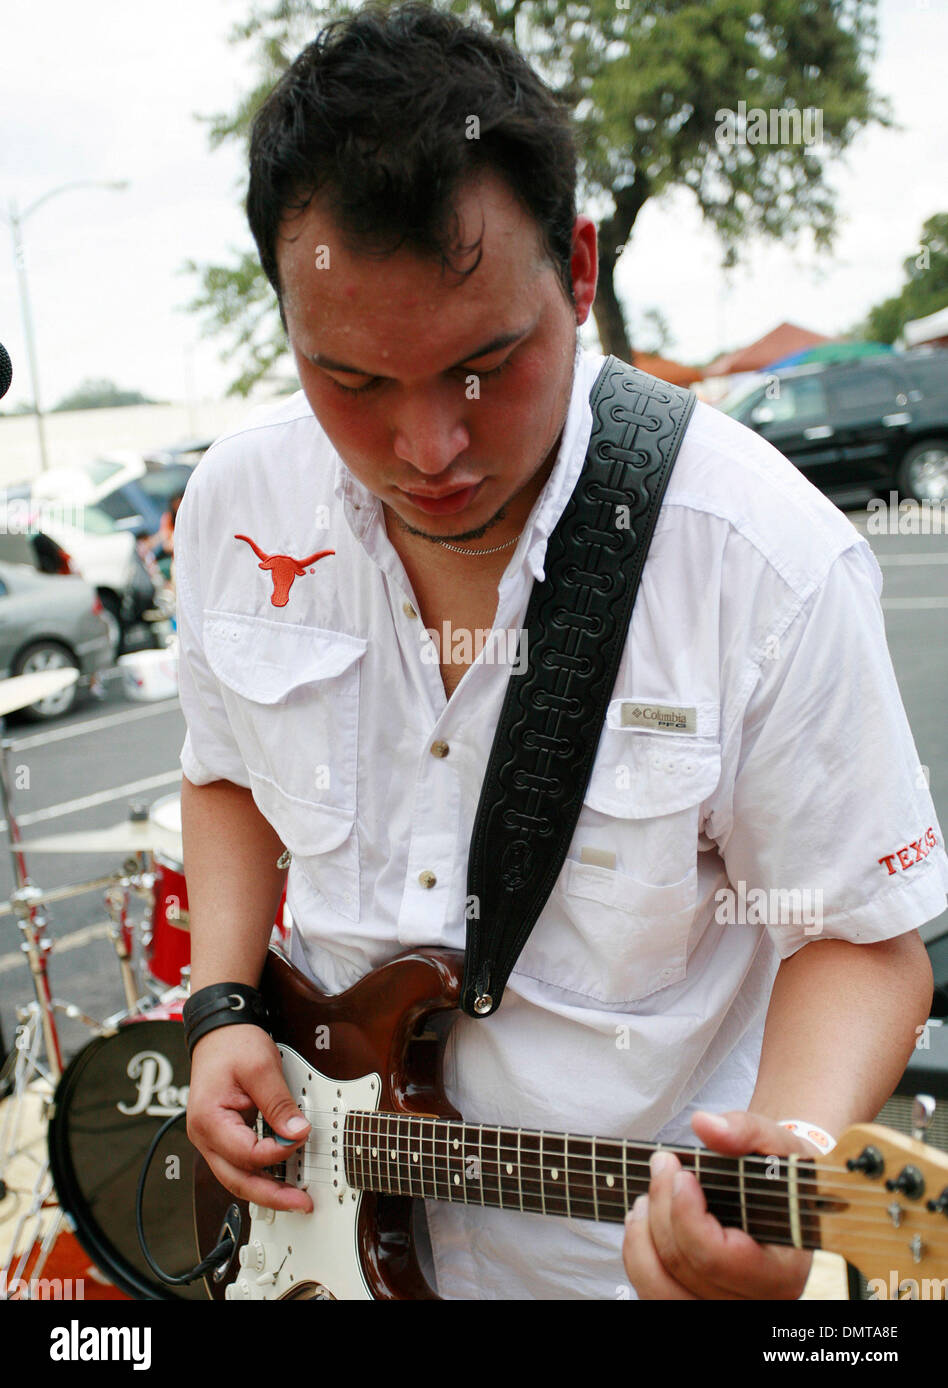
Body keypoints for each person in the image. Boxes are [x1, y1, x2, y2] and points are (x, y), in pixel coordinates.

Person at [177, 3, 945, 1300]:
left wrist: (792, 1168)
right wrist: (219, 1014)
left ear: (580, 271)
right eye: (352, 381)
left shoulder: (761, 559)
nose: (429, 449)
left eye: (486, 363)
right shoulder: (236, 505)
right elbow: (223, 772)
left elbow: (861, 938)